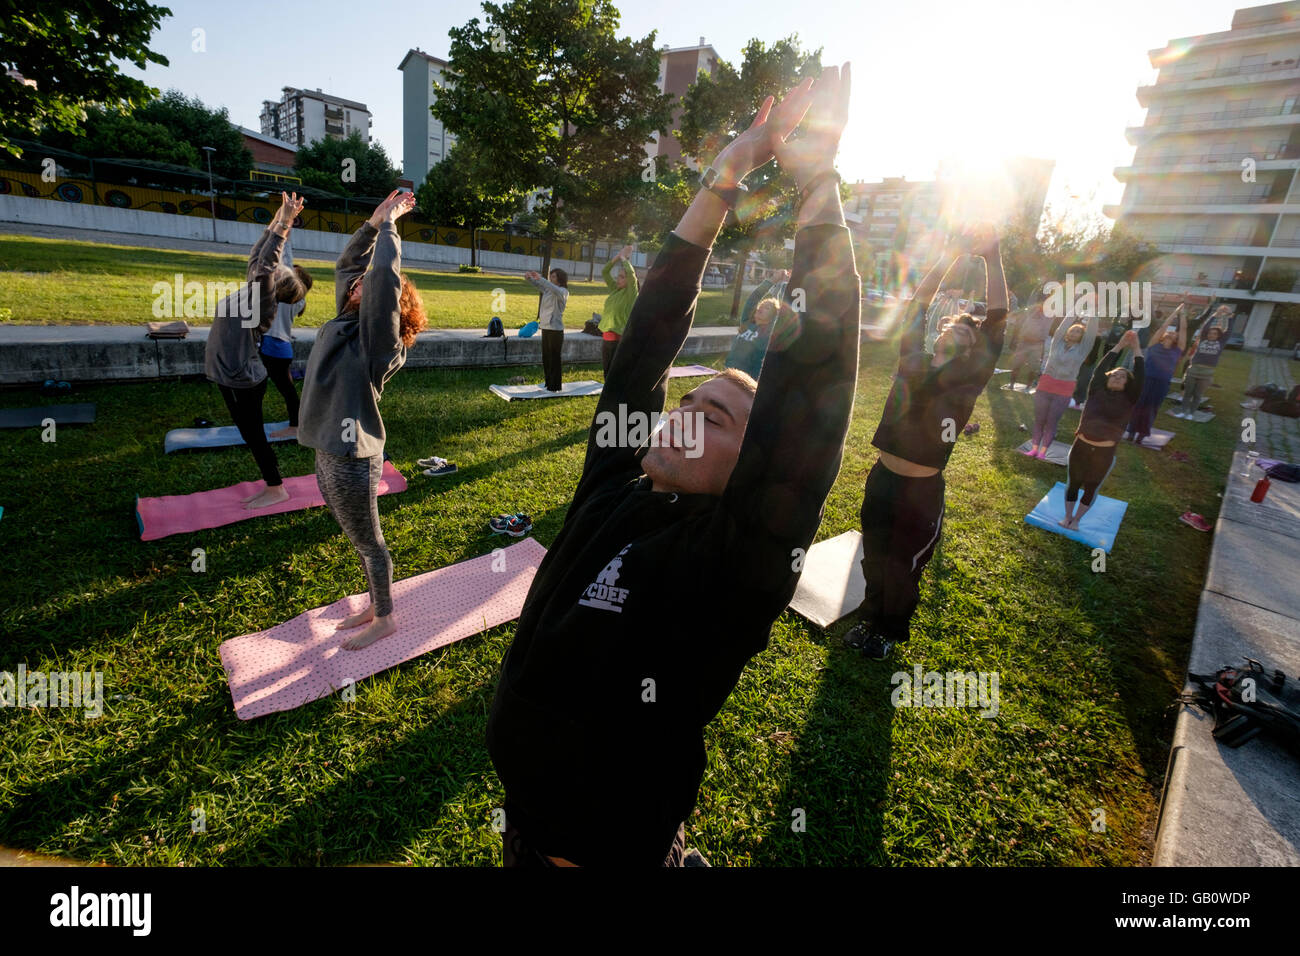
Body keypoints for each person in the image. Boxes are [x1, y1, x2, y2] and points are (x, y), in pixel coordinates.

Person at [487, 66, 859, 867]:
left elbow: (817, 376)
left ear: (754, 473)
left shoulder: (733, 559)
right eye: (691, 402)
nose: (685, 412)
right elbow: (648, 341)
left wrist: (817, 178)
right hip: (524, 839)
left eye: (715, 417)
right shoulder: (616, 486)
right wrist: (724, 179)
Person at [842, 222, 1009, 662]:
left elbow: (998, 318)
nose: (958, 330)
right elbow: (918, 303)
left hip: (920, 490)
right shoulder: (911, 360)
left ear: (974, 348)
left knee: (904, 568)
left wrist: (991, 258)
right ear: (938, 334)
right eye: (952, 325)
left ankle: (888, 632)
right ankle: (868, 618)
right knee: (874, 557)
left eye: (968, 332)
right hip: (883, 479)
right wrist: (949, 256)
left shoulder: (970, 378)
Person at [297, 190, 428, 651]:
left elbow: (384, 282)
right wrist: (371, 225)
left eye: (364, 287)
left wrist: (391, 227)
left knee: (370, 542)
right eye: (356, 286)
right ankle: (375, 603)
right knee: (356, 536)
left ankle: (385, 618)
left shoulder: (378, 343)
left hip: (354, 455)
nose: (356, 286)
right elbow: (349, 268)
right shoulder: (345, 321)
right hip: (326, 446)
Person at [203, 192, 310, 509]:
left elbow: (266, 263)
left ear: (276, 285)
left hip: (243, 377)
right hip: (228, 371)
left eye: (278, 273)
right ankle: (273, 485)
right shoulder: (254, 288)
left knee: (253, 435)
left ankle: (276, 488)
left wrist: (285, 225)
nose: (276, 269)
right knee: (247, 431)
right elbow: (258, 255)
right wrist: (278, 218)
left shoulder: (263, 302)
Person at [1061, 330, 1145, 530]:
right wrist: (1118, 346)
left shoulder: (1129, 399)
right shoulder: (1096, 390)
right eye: (1114, 375)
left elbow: (1140, 373)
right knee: (1073, 483)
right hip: (1081, 446)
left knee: (1091, 487)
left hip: (1104, 452)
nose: (1117, 377)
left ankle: (1077, 521)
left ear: (1127, 384)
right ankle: (1067, 517)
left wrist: (1135, 347)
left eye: (1122, 376)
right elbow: (1100, 369)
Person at [1024, 306, 1101, 459]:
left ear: (1082, 336)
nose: (1074, 332)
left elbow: (1091, 333)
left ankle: (1043, 452)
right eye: (1072, 330)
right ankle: (1033, 449)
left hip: (1064, 388)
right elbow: (1062, 327)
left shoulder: (1083, 349)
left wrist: (1094, 312)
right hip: (1045, 385)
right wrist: (1076, 308)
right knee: (1039, 420)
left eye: (1078, 331)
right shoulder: (1056, 344)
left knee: (1051, 422)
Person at [259, 239, 314, 440]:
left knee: (287, 390)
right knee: (287, 388)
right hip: (280, 348)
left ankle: (296, 425)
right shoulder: (299, 301)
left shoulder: (286, 295)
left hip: (274, 348)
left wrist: (286, 237)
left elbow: (285, 264)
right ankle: (298, 422)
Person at [1125, 302, 1187, 444]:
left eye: (1173, 334)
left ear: (1176, 339)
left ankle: (1141, 434)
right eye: (1168, 333)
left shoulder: (1177, 350)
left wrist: (1182, 313)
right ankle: (1131, 432)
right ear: (1163, 336)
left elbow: (1183, 329)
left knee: (1152, 408)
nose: (1171, 334)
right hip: (1145, 379)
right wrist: (1174, 312)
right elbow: (1163, 326)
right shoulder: (1154, 344)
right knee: (1138, 405)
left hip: (1162, 383)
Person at [724, 269, 791, 379]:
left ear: (774, 316)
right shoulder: (746, 323)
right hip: (728, 373)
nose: (760, 308)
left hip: (748, 380)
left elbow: (786, 312)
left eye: (767, 307)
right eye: (761, 305)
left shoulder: (770, 332)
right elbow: (753, 299)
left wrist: (785, 285)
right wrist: (772, 280)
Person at [1175, 303, 1233, 419]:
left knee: (1197, 395)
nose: (1212, 335)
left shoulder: (1220, 343)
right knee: (1188, 392)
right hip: (1193, 369)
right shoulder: (1202, 340)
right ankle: (1183, 411)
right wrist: (1215, 315)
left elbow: (1229, 331)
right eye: (1210, 333)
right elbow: (1205, 327)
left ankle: (1191, 414)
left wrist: (1229, 315)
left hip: (1207, 373)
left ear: (1218, 336)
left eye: (1215, 334)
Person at [525, 267, 569, 392]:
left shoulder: (563, 291)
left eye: (554, 276)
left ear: (560, 279)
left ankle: (555, 386)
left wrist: (542, 278)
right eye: (551, 276)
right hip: (545, 327)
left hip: (556, 330)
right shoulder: (548, 290)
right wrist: (529, 278)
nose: (551, 278)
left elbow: (552, 287)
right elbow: (538, 285)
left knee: (554, 358)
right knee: (546, 357)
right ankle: (548, 383)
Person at [598, 244, 639, 373]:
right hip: (607, 335)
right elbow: (605, 271)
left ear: (629, 280)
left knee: (614, 371)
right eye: (618, 276)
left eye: (622, 277)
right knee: (607, 369)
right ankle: (609, 391)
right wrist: (617, 256)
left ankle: (614, 391)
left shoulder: (631, 293)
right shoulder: (615, 290)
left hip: (618, 337)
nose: (618, 279)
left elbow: (632, 274)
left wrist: (624, 258)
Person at [1004, 297, 1052, 390]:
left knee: (1033, 366)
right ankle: (1011, 384)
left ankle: (1028, 386)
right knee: (1017, 364)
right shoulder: (1031, 312)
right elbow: (1031, 301)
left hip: (1037, 344)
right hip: (1024, 341)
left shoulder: (1050, 316)